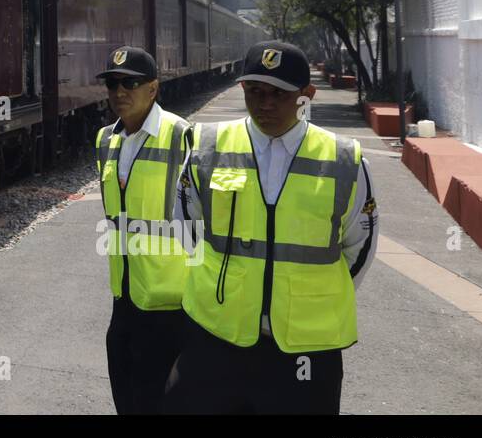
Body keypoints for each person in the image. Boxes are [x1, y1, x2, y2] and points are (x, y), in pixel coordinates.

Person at [164, 40, 378, 414]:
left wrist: (311, 297)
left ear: (306, 95)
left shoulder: (344, 160)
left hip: (305, 346)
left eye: (280, 94)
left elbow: (359, 247)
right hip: (217, 335)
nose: (266, 104)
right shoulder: (207, 146)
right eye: (256, 92)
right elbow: (186, 226)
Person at [94, 45, 191, 414]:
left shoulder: (182, 136)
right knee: (128, 401)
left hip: (172, 307)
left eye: (130, 83)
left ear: (153, 88)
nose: (119, 92)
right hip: (124, 302)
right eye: (113, 83)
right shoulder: (106, 141)